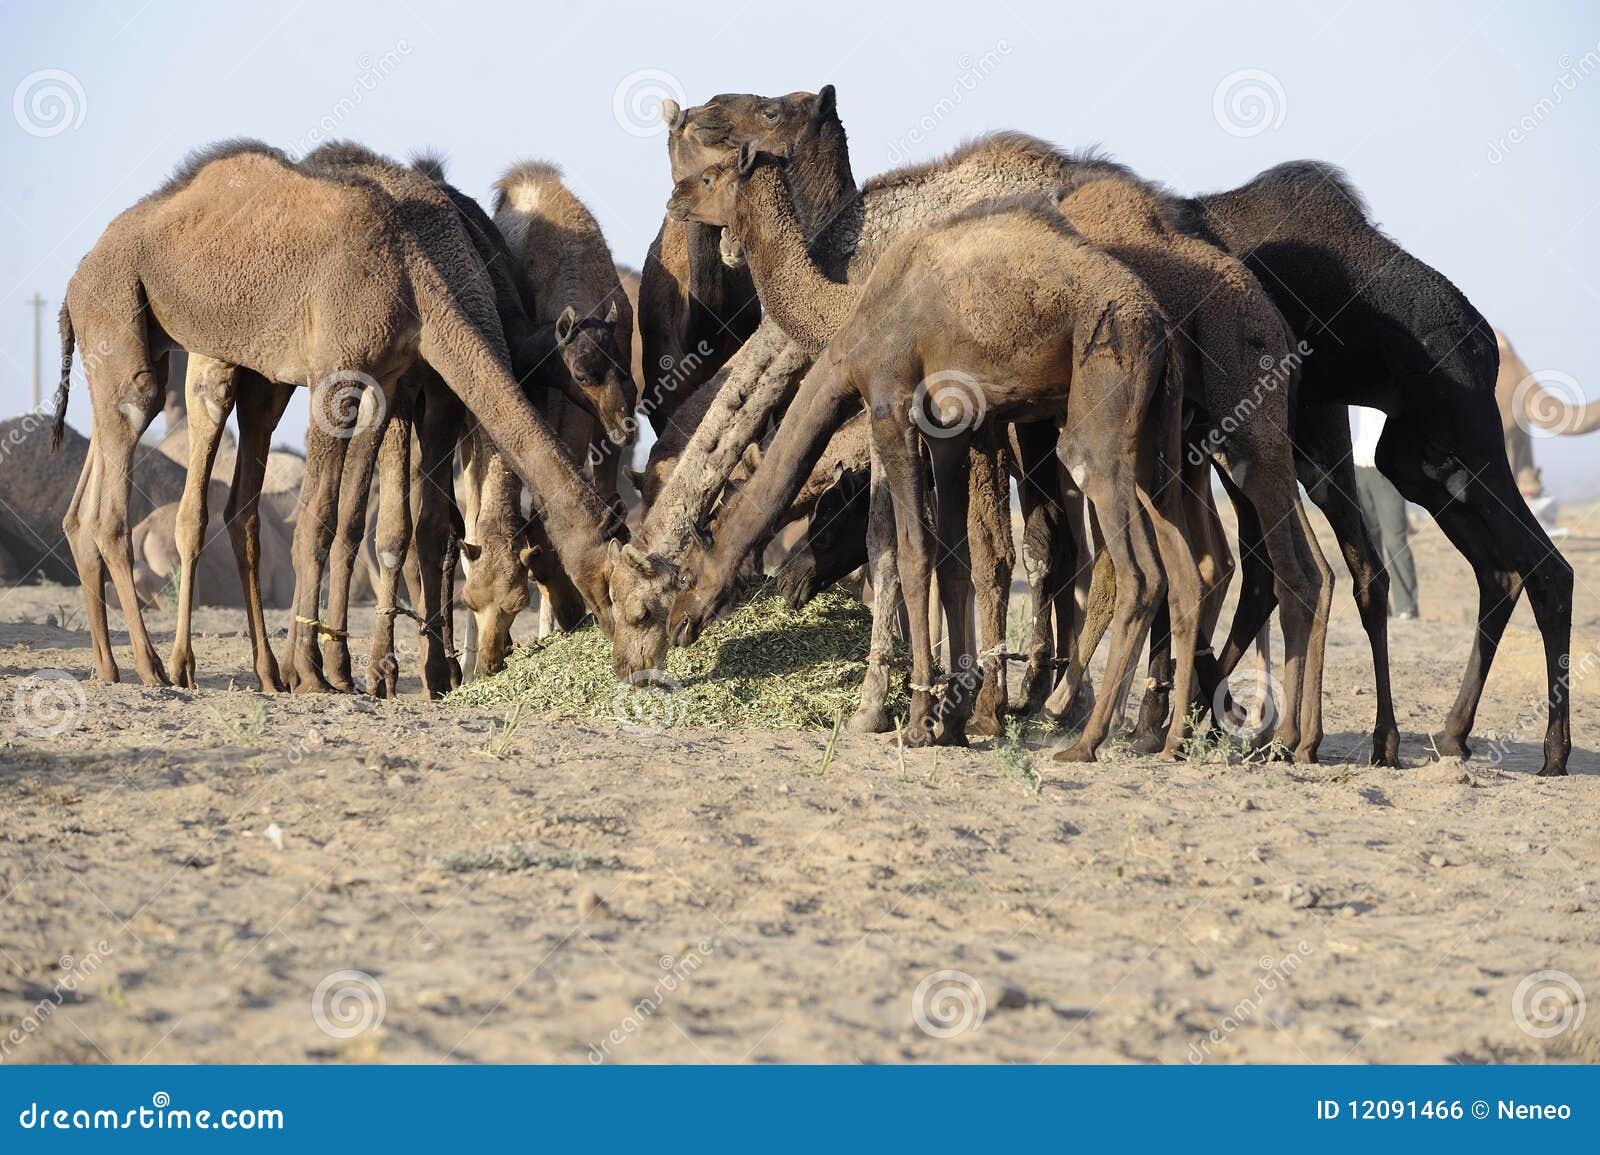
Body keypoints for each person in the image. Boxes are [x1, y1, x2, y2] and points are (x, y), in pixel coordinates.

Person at [1350, 406, 1420, 619]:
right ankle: (1379, 605)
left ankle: (1406, 607)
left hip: (1386, 470)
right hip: (1358, 466)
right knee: (1368, 542)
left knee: (1394, 539)